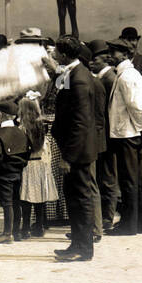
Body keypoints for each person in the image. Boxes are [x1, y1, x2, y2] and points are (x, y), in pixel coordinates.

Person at [50, 36, 103, 262]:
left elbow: (80, 122)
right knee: (74, 197)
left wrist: (68, 157)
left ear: (63, 54)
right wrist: (53, 70)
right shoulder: (75, 71)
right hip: (77, 150)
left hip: (78, 152)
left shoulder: (79, 79)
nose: (53, 54)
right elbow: (60, 87)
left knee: (80, 199)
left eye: (55, 52)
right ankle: (77, 245)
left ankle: (83, 248)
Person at [106, 36, 142, 236]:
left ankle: (130, 225)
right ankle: (137, 223)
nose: (111, 55)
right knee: (135, 179)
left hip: (128, 134)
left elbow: (137, 106)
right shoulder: (124, 74)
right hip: (128, 132)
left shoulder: (127, 76)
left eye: (114, 51)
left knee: (130, 180)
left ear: (125, 54)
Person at [86, 40, 119, 234]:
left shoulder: (108, 79)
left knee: (107, 177)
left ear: (104, 59)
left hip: (105, 135)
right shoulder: (103, 77)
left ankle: (107, 218)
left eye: (95, 59)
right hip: (103, 134)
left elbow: (104, 112)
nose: (92, 63)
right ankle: (104, 218)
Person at [0, 101, 30, 244]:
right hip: (18, 171)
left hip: (4, 173)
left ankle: (7, 233)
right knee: (16, 201)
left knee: (7, 203)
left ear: (1, 114)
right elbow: (27, 152)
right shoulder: (20, 131)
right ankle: (16, 232)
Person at [17, 93, 57, 237]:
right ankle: (39, 226)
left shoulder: (23, 128)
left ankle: (25, 228)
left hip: (29, 165)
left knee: (26, 198)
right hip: (41, 164)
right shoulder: (41, 125)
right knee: (40, 198)